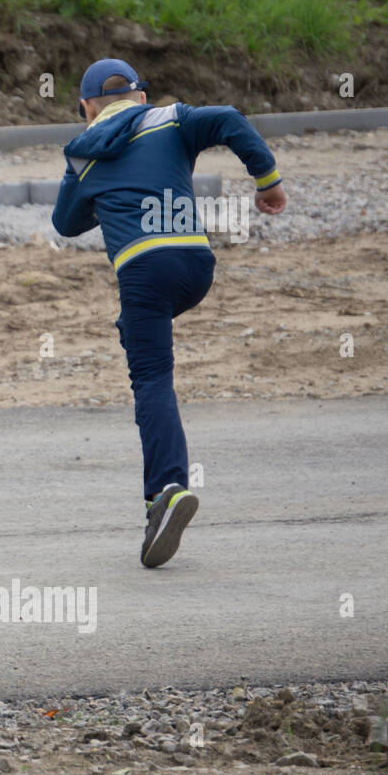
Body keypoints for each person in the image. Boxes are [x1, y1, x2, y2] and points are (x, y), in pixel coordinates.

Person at [51, 59, 287, 567]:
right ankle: (166, 489)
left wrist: (102, 190)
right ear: (139, 96)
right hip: (195, 266)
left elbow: (66, 223)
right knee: (136, 331)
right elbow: (228, 118)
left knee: (153, 378)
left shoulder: (81, 156)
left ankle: (166, 491)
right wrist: (267, 181)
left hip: (143, 273)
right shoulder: (172, 119)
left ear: (86, 106)